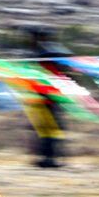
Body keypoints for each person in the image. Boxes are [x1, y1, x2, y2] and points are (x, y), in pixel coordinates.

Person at [26, 26, 72, 168]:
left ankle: (50, 159)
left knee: (48, 129)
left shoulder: (45, 52)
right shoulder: (50, 50)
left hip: (48, 97)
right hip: (46, 96)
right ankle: (48, 158)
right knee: (46, 129)